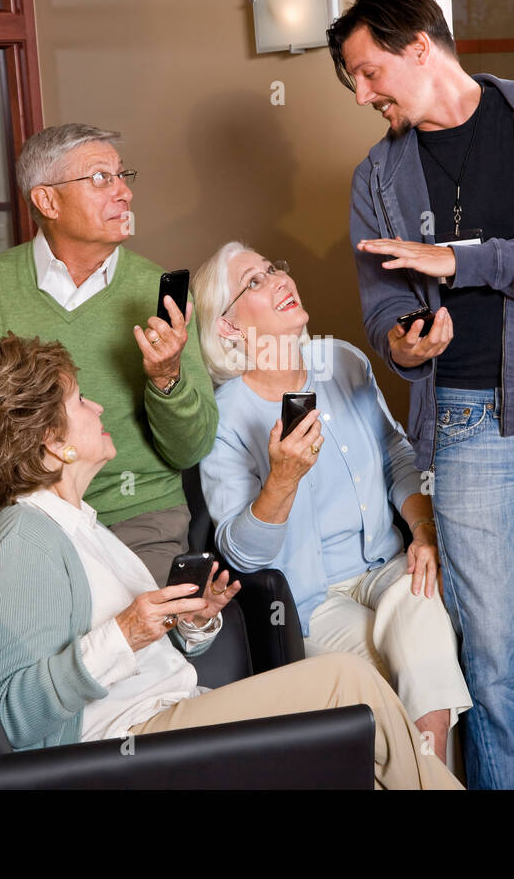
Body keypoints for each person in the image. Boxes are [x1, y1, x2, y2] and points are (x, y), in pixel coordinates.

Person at [0, 333, 461, 790]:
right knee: (347, 684)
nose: (98, 409)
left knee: (359, 751)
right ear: (54, 444)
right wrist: (126, 631)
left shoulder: (79, 522)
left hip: (173, 716)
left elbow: (137, 654)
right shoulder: (25, 539)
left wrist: (192, 621)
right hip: (128, 745)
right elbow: (12, 714)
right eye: (80, 402)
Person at [328, 0, 514, 789]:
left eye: (369, 71)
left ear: (420, 44)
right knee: (491, 644)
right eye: (353, 80)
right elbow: (383, 310)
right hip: (461, 421)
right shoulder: (376, 179)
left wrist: (463, 260)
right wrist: (411, 345)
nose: (362, 94)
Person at [0, 124, 218, 623]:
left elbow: (191, 449)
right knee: (4, 663)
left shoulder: (157, 294)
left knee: (136, 661)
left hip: (135, 518)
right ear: (48, 202)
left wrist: (166, 378)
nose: (125, 191)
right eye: (100, 178)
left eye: (123, 175)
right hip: (12, 519)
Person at [192, 242, 471, 762]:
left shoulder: (343, 360)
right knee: (395, 677)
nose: (277, 279)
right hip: (308, 598)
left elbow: (396, 455)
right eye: (254, 281)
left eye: (274, 267)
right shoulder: (223, 417)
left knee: (423, 610)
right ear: (228, 327)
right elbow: (240, 554)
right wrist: (281, 481)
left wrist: (424, 531)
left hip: (385, 567)